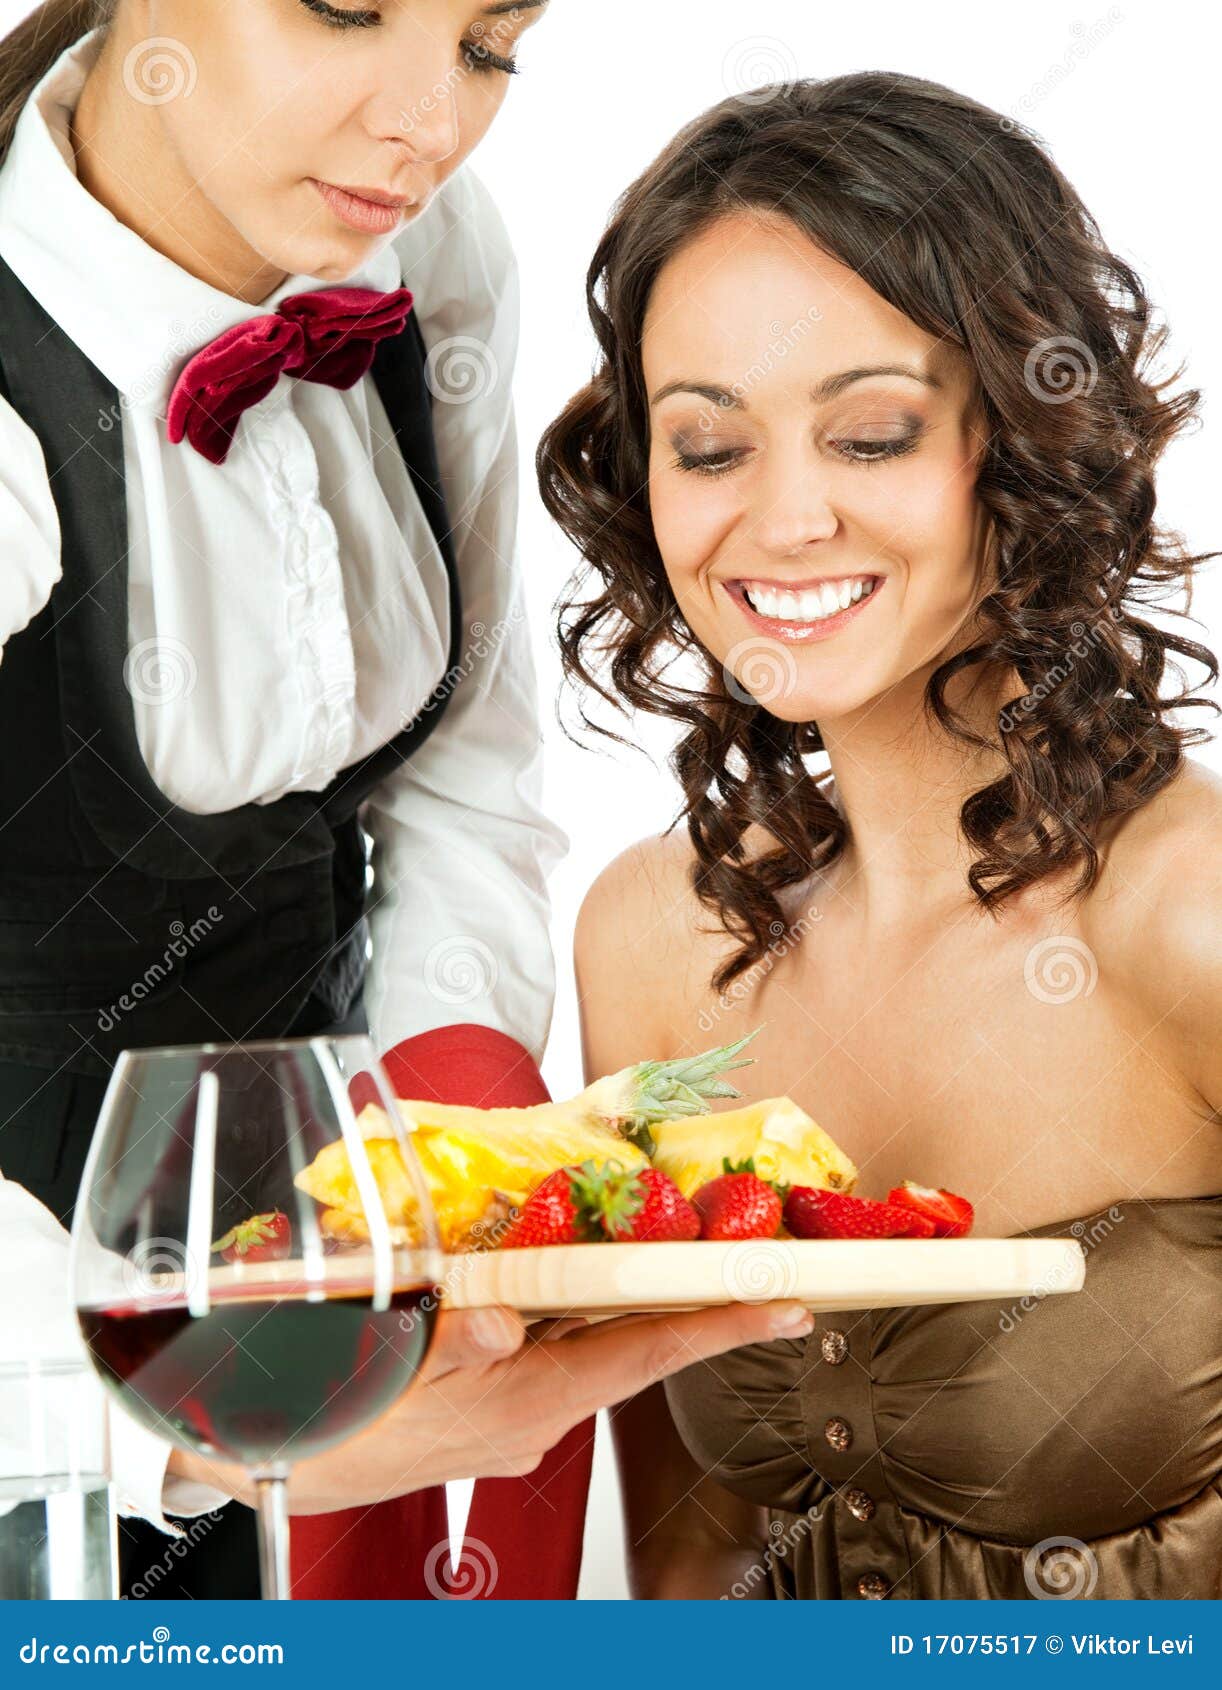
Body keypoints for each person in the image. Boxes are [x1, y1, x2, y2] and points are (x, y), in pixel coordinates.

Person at [0, 0, 811, 1599]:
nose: (427, 124)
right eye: (347, 9)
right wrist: (175, 1415)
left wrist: (448, 1134)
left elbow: (463, 768)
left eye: (488, 43)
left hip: (324, 1337)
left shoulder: (429, 254)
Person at [541, 73, 1222, 1599]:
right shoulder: (653, 944)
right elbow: (689, 1566)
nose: (781, 521)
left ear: (1024, 438)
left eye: (868, 435)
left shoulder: (1191, 911)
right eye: (707, 447)